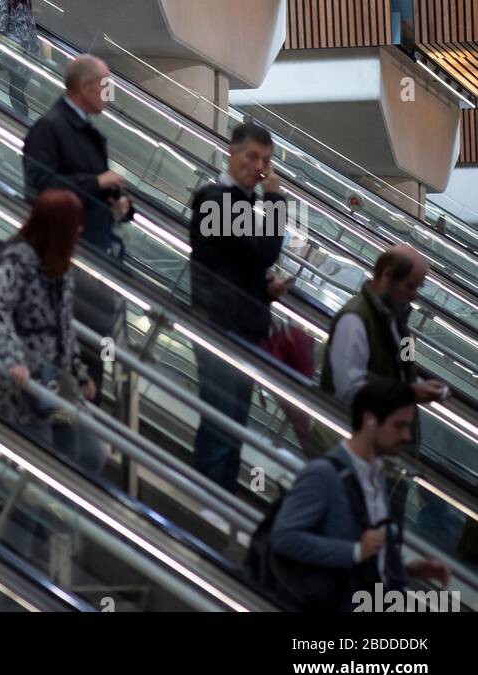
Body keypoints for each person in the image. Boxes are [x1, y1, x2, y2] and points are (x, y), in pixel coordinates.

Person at [268, 378, 448, 612]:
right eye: (399, 425)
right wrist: (354, 552)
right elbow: (285, 538)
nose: (407, 436)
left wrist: (408, 570)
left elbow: (370, 552)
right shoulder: (323, 475)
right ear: (370, 421)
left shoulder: (377, 474)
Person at [23, 54, 133, 400]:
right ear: (85, 87)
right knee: (76, 336)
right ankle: (70, 406)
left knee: (97, 338)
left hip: (93, 253)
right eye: (104, 86)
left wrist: (119, 203)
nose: (108, 92)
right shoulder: (51, 127)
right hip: (68, 256)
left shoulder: (87, 132)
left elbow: (94, 185)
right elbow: (41, 186)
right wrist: (96, 181)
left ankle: (91, 401)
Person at [188, 120, 289, 493]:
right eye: (252, 156)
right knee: (221, 420)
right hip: (219, 324)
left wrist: (264, 286)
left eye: (265, 160)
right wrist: (276, 199)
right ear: (232, 151)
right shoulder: (214, 200)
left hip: (239, 324)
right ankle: (204, 504)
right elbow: (262, 251)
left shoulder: (240, 203)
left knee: (234, 423)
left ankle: (219, 501)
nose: (259, 166)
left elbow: (239, 262)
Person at [0, 190, 103, 464]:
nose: (80, 231)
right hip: (22, 383)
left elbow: (63, 327)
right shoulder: (15, 262)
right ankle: (34, 507)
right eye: (74, 225)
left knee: (88, 454)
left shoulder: (61, 268)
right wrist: (13, 359)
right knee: (40, 463)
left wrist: (79, 374)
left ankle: (62, 507)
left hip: (56, 379)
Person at [322, 245, 447, 411]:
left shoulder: (399, 321)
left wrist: (422, 385)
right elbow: (347, 388)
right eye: (410, 286)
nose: (414, 295)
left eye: (418, 288)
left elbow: (405, 367)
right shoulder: (354, 320)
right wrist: (409, 392)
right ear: (387, 275)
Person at [0, 0, 39, 118]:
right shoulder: (24, 2)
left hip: (11, 49)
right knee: (16, 91)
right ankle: (25, 122)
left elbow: (0, 25)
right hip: (29, 54)